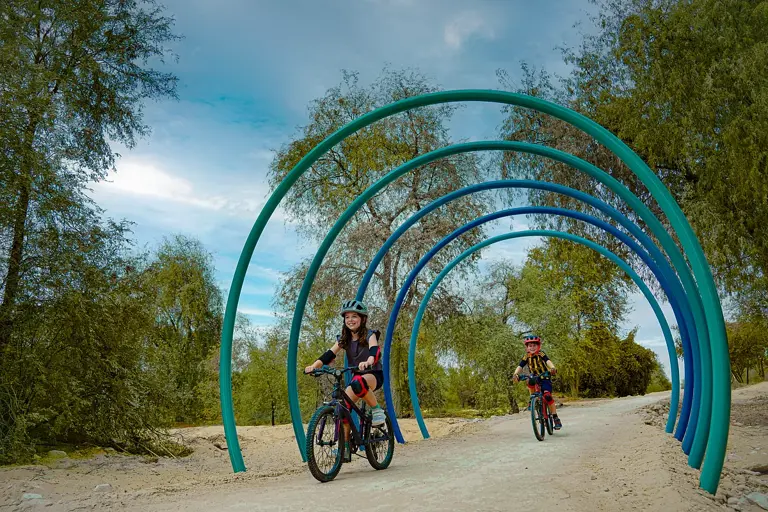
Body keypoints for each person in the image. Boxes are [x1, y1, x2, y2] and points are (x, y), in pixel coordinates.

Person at [305, 299, 386, 460]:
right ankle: (346, 447)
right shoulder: (344, 339)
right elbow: (330, 354)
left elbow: (375, 352)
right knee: (343, 408)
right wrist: (315, 365)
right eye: (347, 317)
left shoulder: (370, 335)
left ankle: (377, 410)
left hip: (373, 374)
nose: (350, 320)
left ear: (362, 319)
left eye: (354, 316)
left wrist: (369, 361)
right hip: (357, 375)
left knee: (358, 383)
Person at [512, 334, 562, 430]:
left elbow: (547, 361)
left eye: (534, 345)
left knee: (547, 396)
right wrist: (515, 374)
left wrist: (552, 368)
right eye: (530, 346)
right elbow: (520, 366)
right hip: (534, 377)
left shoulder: (541, 354)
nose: (532, 348)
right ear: (527, 347)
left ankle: (555, 418)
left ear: (538, 346)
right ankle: (532, 399)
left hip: (544, 376)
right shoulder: (526, 356)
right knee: (529, 381)